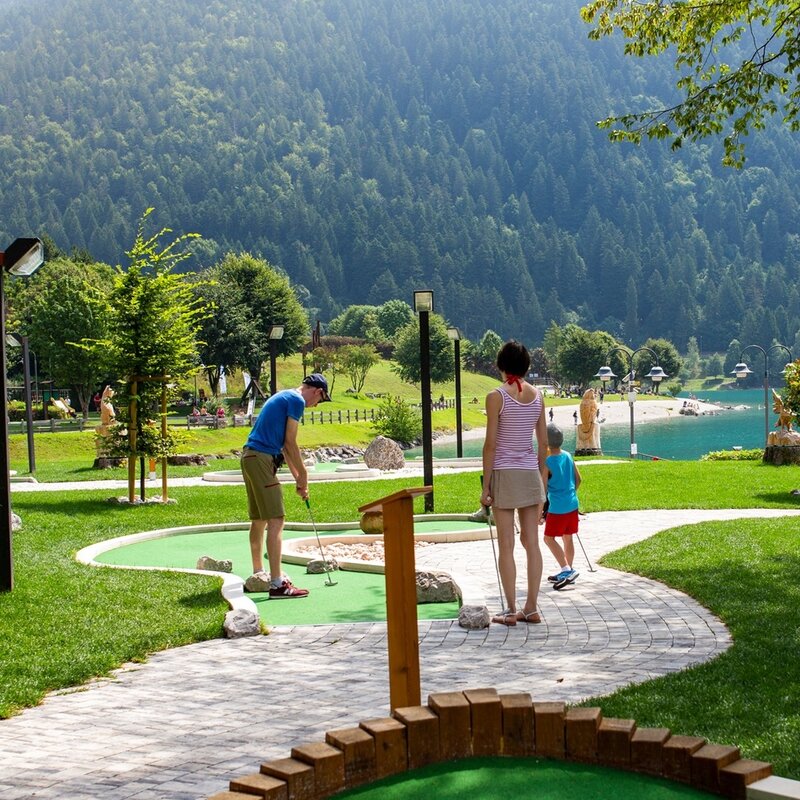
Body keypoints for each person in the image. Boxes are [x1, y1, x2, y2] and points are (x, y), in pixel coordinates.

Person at [241, 372, 331, 599]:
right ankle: (277, 583)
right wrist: (304, 476)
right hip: (261, 459)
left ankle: (258, 574)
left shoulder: (285, 396)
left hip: (251, 457)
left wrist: (298, 478)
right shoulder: (297, 400)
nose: (315, 405)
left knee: (260, 519)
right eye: (320, 400)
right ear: (318, 391)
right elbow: (291, 442)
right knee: (276, 519)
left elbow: (283, 447)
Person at [481, 340, 547, 626]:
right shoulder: (538, 396)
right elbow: (543, 444)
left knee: (506, 544)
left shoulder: (496, 396)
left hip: (504, 474)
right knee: (532, 543)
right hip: (530, 473)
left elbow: (490, 445)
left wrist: (486, 487)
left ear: (501, 365)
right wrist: (542, 482)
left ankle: (510, 609)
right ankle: (531, 607)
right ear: (526, 366)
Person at [541, 423, 582, 590]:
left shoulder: (547, 462)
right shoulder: (567, 455)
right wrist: (569, 492)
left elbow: (543, 490)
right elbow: (579, 479)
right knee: (568, 536)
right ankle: (568, 570)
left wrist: (539, 512)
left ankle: (566, 570)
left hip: (557, 507)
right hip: (572, 503)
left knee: (548, 539)